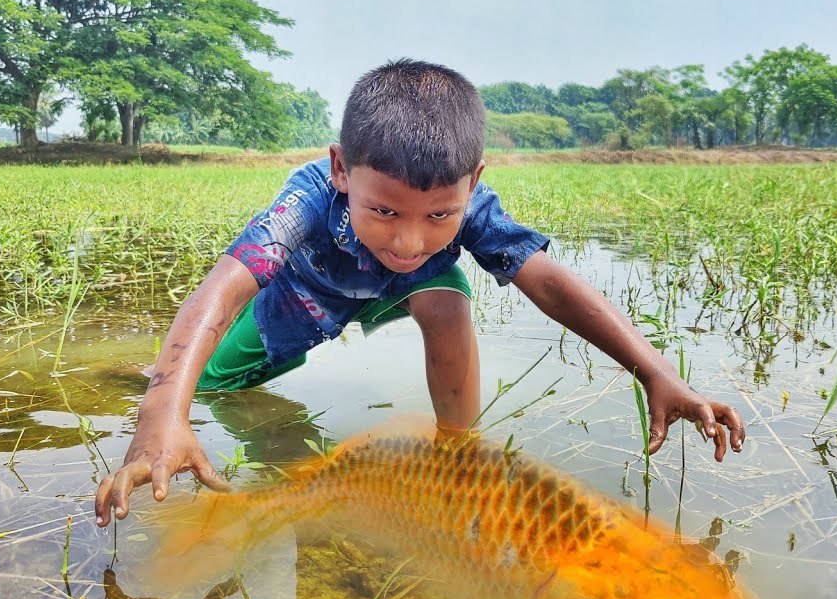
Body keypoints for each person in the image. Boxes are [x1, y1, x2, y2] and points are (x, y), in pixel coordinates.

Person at [93, 59, 745, 527]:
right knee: (201, 386)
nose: (408, 237)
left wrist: (654, 371)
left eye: (439, 215)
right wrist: (161, 415)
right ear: (342, 169)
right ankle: (134, 380)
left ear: (472, 183)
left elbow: (549, 281)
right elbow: (224, 289)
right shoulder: (310, 196)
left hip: (405, 291)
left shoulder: (468, 212)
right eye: (385, 212)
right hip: (303, 300)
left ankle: (454, 450)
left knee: (443, 295)